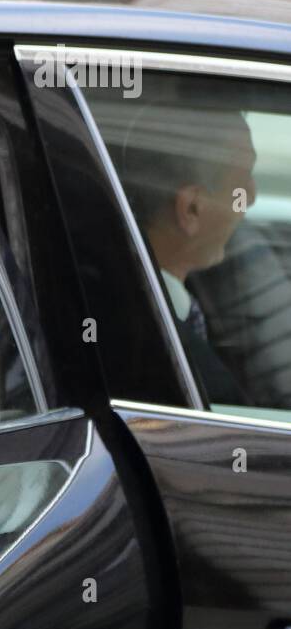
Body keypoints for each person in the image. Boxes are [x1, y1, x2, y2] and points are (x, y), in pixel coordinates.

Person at [112, 101, 257, 404]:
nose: (252, 197)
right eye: (242, 186)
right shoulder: (141, 350)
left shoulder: (129, 291)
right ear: (191, 209)